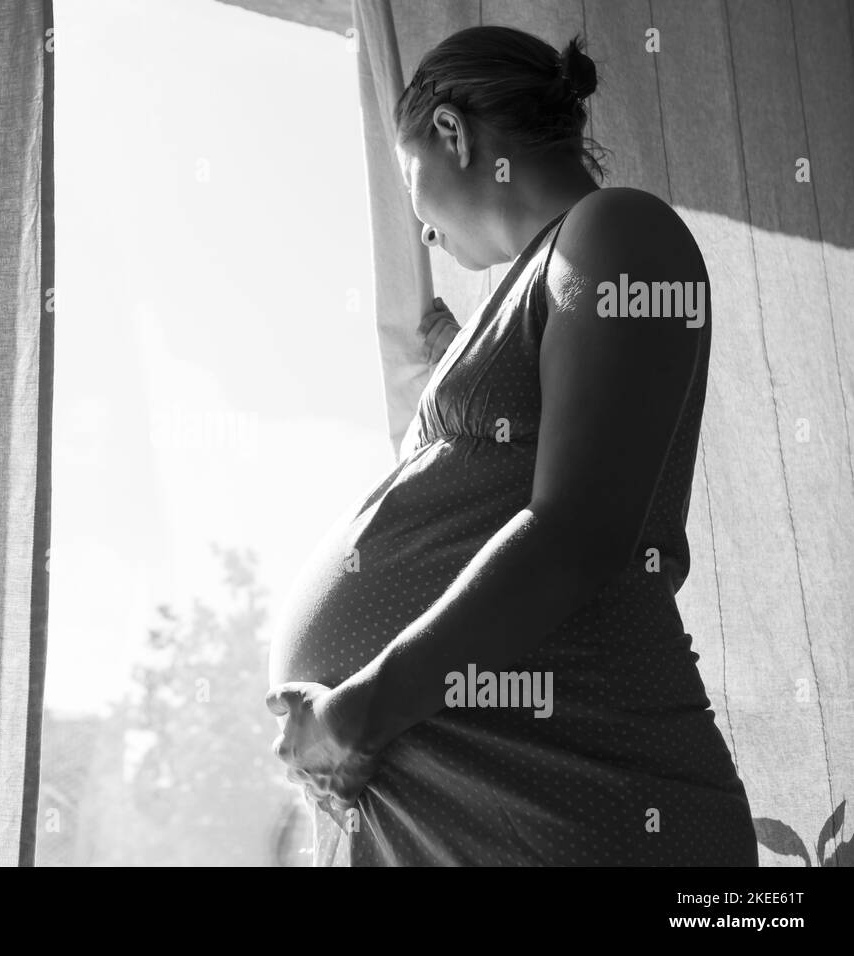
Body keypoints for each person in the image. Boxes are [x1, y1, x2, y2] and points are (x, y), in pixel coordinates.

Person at [265, 25, 757, 866]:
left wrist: (361, 712)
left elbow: (577, 531)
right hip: (480, 812)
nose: (418, 231)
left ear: (451, 134)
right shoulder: (536, 283)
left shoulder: (618, 230)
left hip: (590, 807)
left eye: (406, 172)